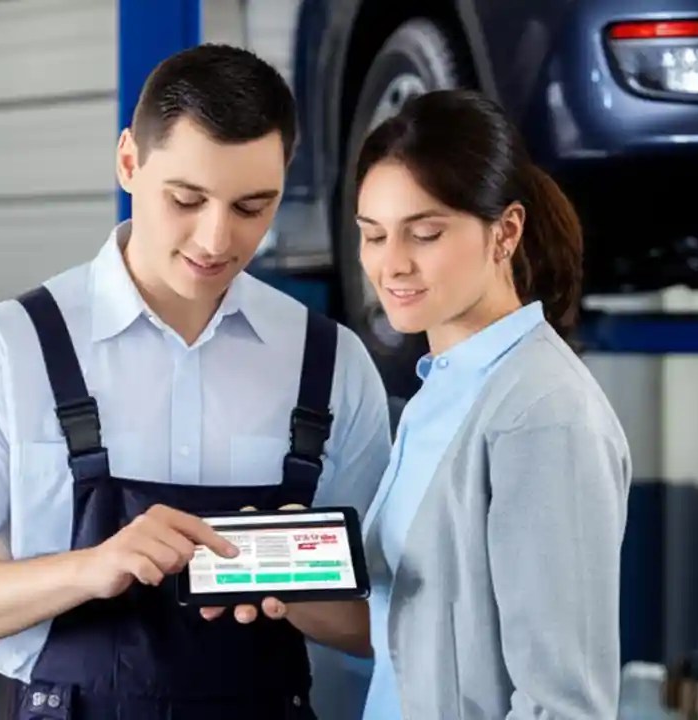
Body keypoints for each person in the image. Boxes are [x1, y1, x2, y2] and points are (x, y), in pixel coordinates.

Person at [0, 44, 394, 719]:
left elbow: (384, 620)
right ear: (129, 161)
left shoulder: (329, 364)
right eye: (186, 199)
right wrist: (86, 569)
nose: (215, 239)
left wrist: (299, 588)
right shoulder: (11, 350)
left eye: (252, 206)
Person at [207, 88, 633, 718]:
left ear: (505, 232)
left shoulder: (543, 417)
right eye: (373, 236)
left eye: (425, 233)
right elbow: (412, 629)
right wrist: (278, 576)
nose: (392, 265)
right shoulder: (443, 390)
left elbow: (562, 704)